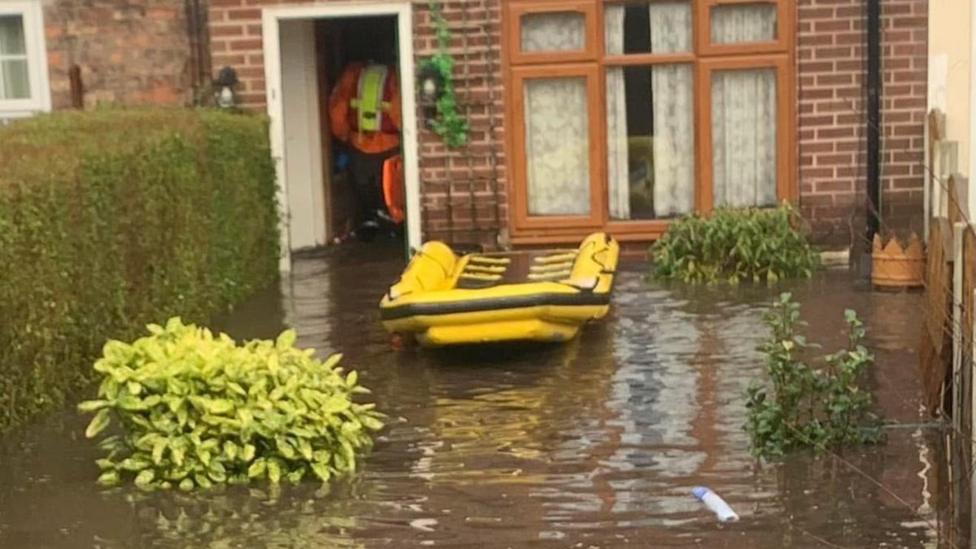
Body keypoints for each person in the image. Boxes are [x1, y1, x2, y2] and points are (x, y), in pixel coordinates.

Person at [329, 62, 402, 241]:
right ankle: (395, 228)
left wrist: (344, 136)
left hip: (358, 143)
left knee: (362, 192)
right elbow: (399, 112)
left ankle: (368, 226)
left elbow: (337, 109)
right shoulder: (395, 75)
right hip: (390, 145)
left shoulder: (352, 74)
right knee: (390, 192)